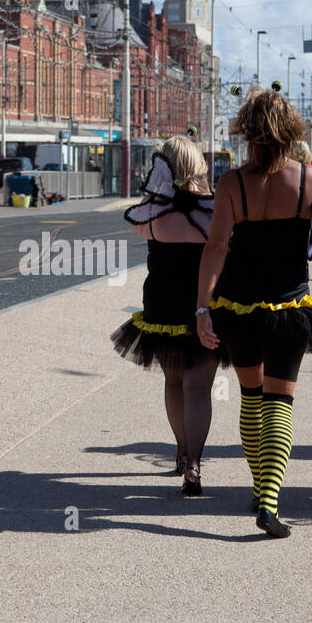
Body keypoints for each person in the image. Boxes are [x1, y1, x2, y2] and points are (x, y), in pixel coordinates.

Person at [196, 89, 312, 538]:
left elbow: (216, 247)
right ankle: (271, 502)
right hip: (290, 307)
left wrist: (203, 307)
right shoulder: (309, 179)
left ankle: (259, 488)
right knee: (281, 401)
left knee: (251, 397)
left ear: (248, 134)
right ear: (290, 131)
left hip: (238, 306)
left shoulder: (231, 183)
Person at [111, 137, 227, 495]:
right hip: (202, 306)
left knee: (174, 382)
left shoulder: (154, 213)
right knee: (199, 387)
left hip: (161, 306)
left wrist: (156, 190)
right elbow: (226, 244)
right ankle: (194, 462)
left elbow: (136, 220)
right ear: (197, 166)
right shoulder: (211, 211)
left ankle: (179, 451)